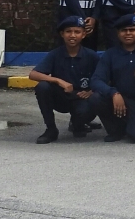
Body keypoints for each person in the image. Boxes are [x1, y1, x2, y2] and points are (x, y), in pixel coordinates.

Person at [28, 14, 99, 143]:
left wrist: (92, 91)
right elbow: (33, 74)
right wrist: (57, 80)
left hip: (81, 97)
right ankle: (51, 129)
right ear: (62, 34)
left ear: (83, 35)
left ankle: (78, 124)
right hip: (62, 97)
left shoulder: (91, 56)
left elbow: (103, 78)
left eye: (77, 32)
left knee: (89, 107)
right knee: (42, 87)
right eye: (68, 32)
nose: (72, 35)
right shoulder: (55, 54)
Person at [91, 13, 135, 143]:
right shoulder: (110, 54)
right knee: (96, 98)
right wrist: (114, 93)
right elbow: (96, 80)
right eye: (123, 30)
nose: (128, 33)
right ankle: (115, 130)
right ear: (118, 33)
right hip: (119, 99)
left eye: (132, 30)